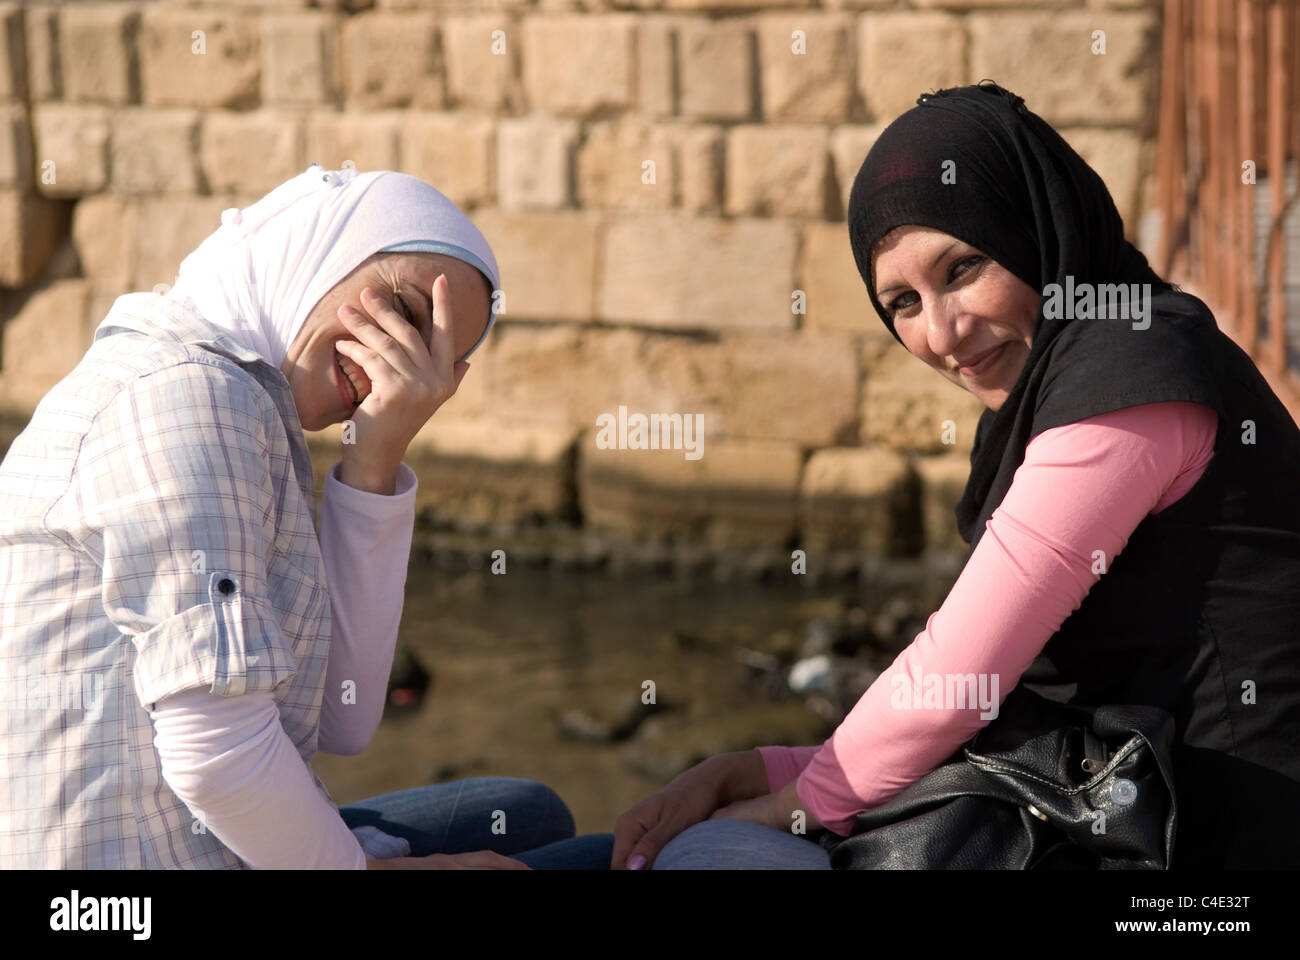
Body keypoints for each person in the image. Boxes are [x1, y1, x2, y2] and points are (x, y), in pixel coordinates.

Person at [611, 81, 1300, 870]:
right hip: (1155, 817)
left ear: (1033, 224)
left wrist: (799, 804)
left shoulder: (1131, 381)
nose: (942, 334)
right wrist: (775, 769)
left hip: (1237, 850)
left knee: (709, 858)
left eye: (964, 267)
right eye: (902, 301)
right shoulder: (1090, 367)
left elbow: (960, 673)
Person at [0, 163, 613, 869]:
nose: (407, 361)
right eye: (405, 312)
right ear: (322, 251)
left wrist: (375, 457)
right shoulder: (187, 398)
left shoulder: (238, 390)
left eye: (439, 353)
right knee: (605, 855)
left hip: (184, 838)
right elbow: (218, 758)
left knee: (528, 814)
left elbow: (341, 715)